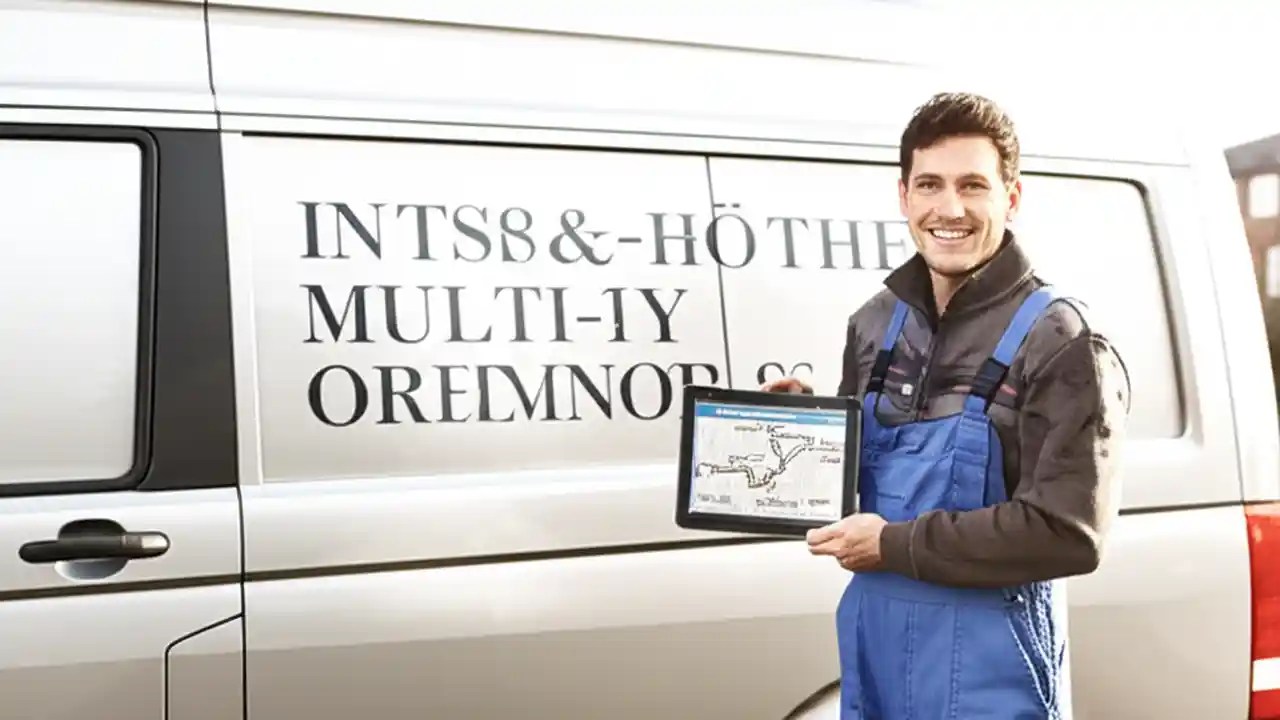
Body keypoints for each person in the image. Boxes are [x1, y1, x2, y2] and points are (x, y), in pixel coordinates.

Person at [762, 92, 1131, 719]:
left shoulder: (1062, 341)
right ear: (903, 195)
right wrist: (804, 429)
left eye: (973, 185)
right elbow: (862, 484)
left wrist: (895, 546)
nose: (949, 208)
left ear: (1011, 198)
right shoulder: (873, 325)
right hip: (876, 648)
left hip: (993, 663)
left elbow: (1068, 534)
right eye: (929, 184)